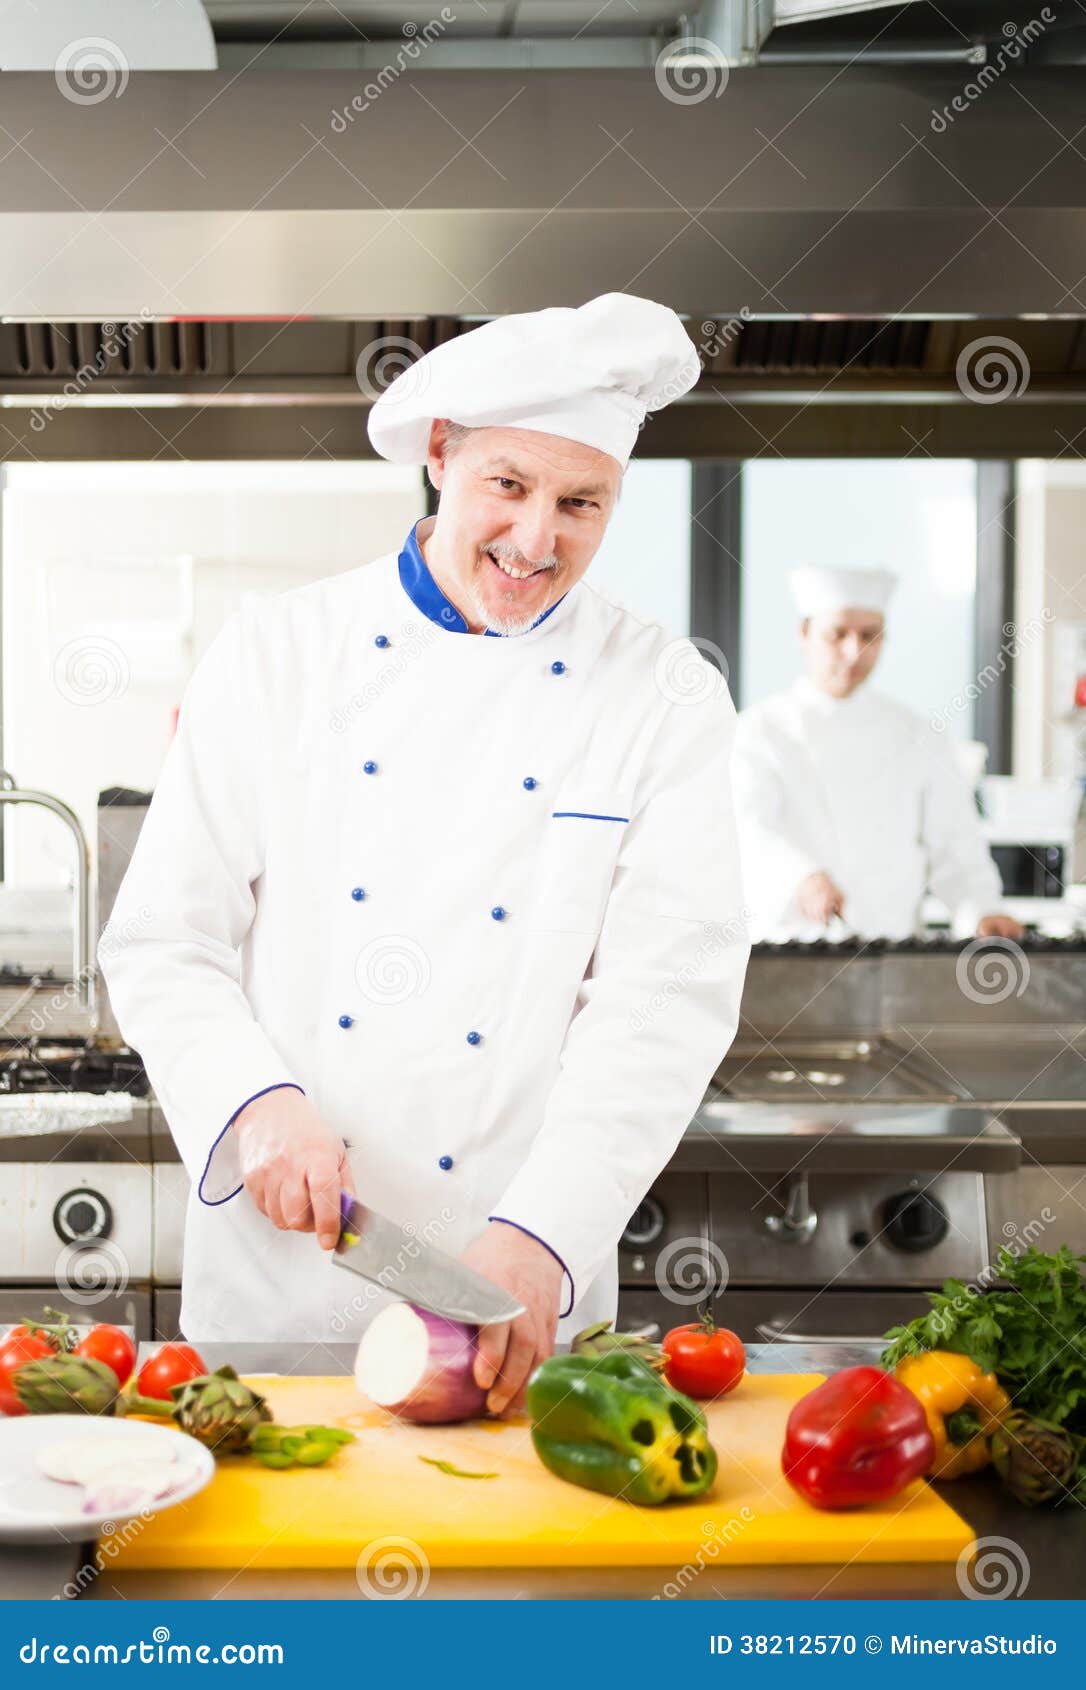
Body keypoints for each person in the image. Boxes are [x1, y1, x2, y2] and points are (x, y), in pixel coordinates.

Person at [99, 292, 750, 1415]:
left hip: (517, 1296)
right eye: (509, 485)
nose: (537, 540)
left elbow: (665, 999)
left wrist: (544, 1233)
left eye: (581, 501)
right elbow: (166, 938)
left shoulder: (667, 694)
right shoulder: (277, 654)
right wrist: (255, 1102)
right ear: (441, 455)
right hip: (283, 1297)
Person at [731, 565, 1023, 943]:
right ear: (804, 634)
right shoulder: (759, 731)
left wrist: (982, 911)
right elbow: (748, 828)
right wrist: (800, 877)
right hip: (787, 948)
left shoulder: (918, 734)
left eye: (869, 635)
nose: (854, 651)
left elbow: (955, 846)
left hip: (893, 952)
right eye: (837, 634)